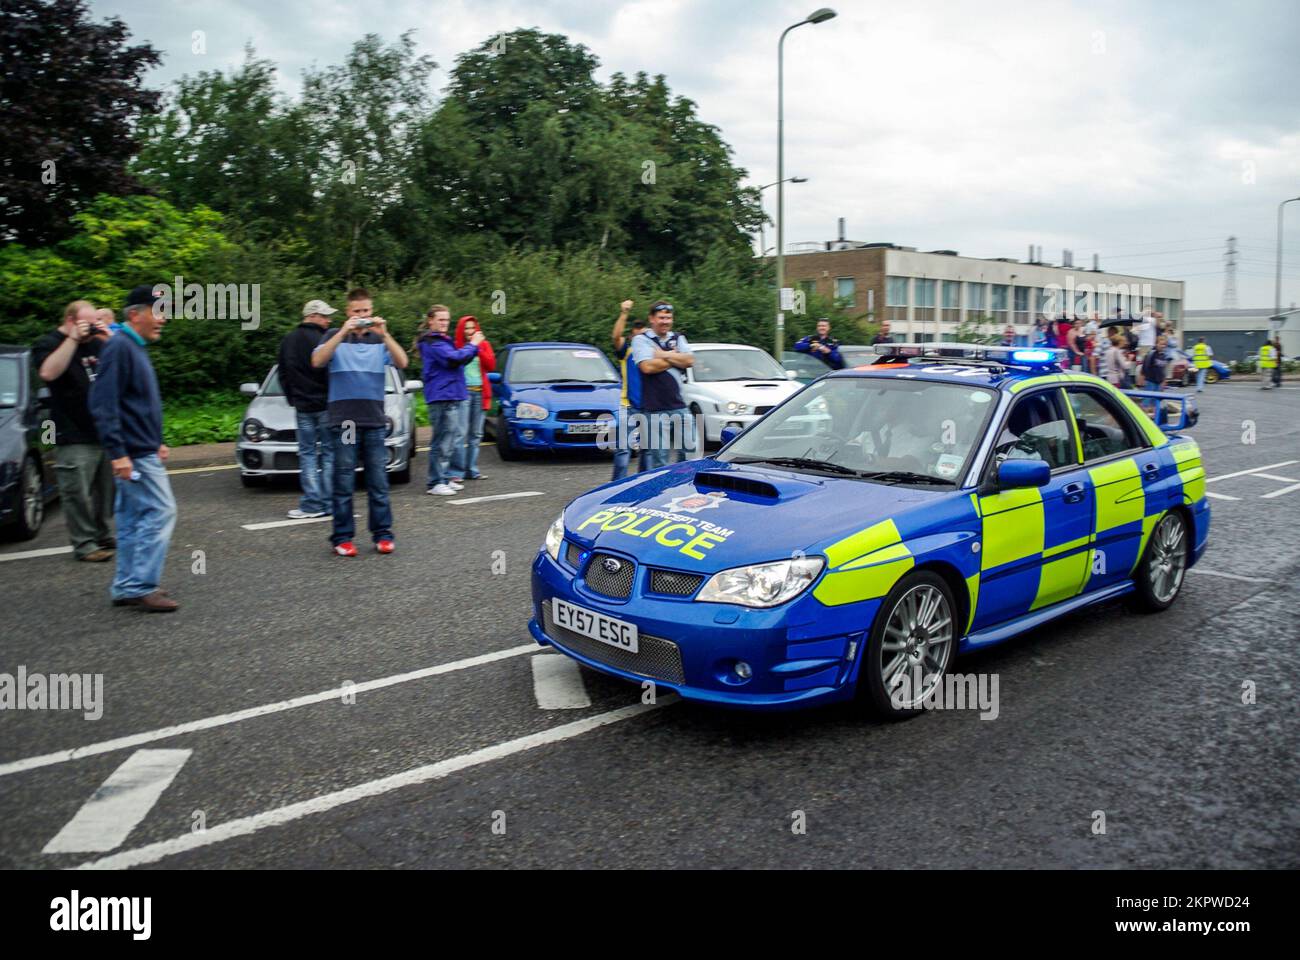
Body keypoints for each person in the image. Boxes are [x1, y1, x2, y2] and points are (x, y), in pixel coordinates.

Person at [90, 285, 178, 611]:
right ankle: (142, 585)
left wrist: (156, 441)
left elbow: (132, 404)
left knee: (131, 521)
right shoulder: (120, 348)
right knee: (161, 511)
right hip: (134, 456)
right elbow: (103, 404)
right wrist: (119, 454)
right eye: (158, 311)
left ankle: (126, 586)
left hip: (142, 450)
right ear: (134, 314)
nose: (163, 319)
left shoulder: (131, 347)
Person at [311, 288, 408, 555]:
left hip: (374, 420)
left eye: (366, 311)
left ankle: (383, 534)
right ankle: (342, 538)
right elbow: (317, 360)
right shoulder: (334, 336)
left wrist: (386, 333)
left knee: (378, 481)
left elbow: (402, 361)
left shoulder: (379, 339)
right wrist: (342, 331)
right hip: (345, 422)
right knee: (343, 481)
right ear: (348, 312)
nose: (362, 316)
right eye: (357, 312)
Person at [33, 300, 116, 562]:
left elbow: (125, 367)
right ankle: (84, 544)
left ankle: (102, 534)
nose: (91, 328)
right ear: (70, 320)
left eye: (95, 322)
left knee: (107, 491)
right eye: (87, 323)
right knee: (76, 493)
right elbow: (48, 372)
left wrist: (108, 336)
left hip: (103, 431)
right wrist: (71, 340)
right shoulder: (48, 343)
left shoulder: (96, 342)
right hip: (72, 433)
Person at [278, 299, 338, 519]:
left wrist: (292, 398)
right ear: (312, 316)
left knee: (308, 454)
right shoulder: (326, 339)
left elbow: (282, 373)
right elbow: (333, 371)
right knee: (330, 453)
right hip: (326, 405)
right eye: (324, 316)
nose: (328, 320)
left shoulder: (288, 340)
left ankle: (312, 503)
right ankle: (329, 502)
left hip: (302, 406)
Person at [416, 304, 482, 495]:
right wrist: (473, 345)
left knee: (450, 439)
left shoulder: (441, 340)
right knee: (442, 440)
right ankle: (435, 481)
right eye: (440, 320)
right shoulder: (431, 341)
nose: (445, 323)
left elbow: (460, 360)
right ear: (431, 321)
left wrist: (472, 349)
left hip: (451, 394)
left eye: (447, 320)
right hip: (441, 395)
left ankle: (444, 477)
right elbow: (453, 360)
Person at [632, 301, 695, 470]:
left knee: (690, 451)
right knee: (659, 460)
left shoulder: (678, 337)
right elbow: (647, 367)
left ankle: (682, 486)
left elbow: (689, 361)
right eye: (661, 318)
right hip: (654, 410)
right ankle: (660, 494)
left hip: (680, 406)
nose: (665, 321)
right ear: (651, 319)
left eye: (668, 318)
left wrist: (660, 355)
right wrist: (675, 357)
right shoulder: (641, 340)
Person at [449, 315, 494, 482]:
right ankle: (456, 472)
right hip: (463, 393)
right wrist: (470, 346)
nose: (469, 331)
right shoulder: (456, 347)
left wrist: (479, 347)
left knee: (476, 434)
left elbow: (491, 365)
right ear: (461, 330)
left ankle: (472, 470)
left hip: (481, 393)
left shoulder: (484, 344)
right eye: (466, 328)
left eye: (472, 328)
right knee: (460, 433)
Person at [610, 299, 647, 481]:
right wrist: (624, 313)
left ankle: (643, 485)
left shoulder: (652, 352)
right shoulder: (627, 352)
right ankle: (617, 486)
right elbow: (616, 337)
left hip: (651, 407)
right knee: (623, 450)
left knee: (648, 451)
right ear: (632, 337)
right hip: (628, 405)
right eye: (637, 336)